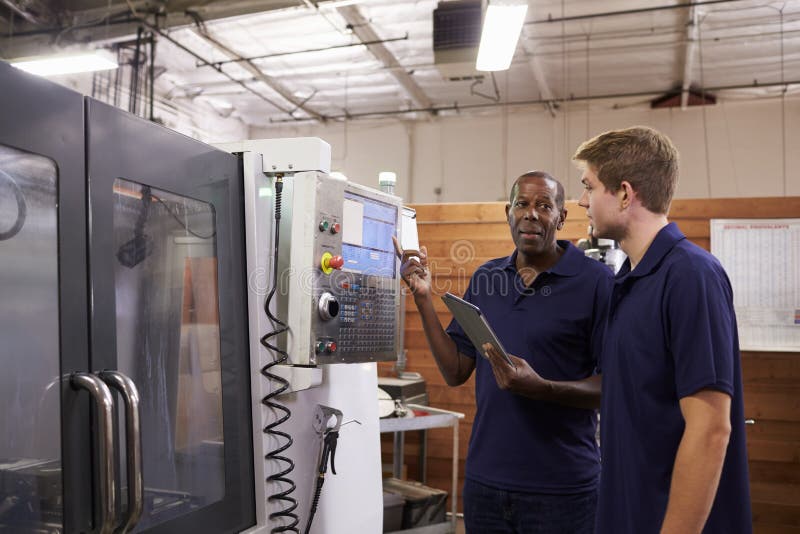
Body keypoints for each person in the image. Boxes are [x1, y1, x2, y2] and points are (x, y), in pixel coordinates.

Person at [394, 171, 612, 533]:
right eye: (522, 204)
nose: (531, 213)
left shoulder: (596, 283)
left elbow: (612, 388)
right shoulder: (486, 278)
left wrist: (541, 388)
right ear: (508, 213)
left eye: (544, 205)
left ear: (561, 217)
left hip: (563, 491)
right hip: (486, 485)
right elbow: (455, 370)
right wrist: (423, 299)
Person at [572, 125, 752, 533]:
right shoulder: (630, 280)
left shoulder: (691, 275)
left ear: (623, 192)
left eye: (589, 186)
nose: (581, 201)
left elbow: (711, 428)